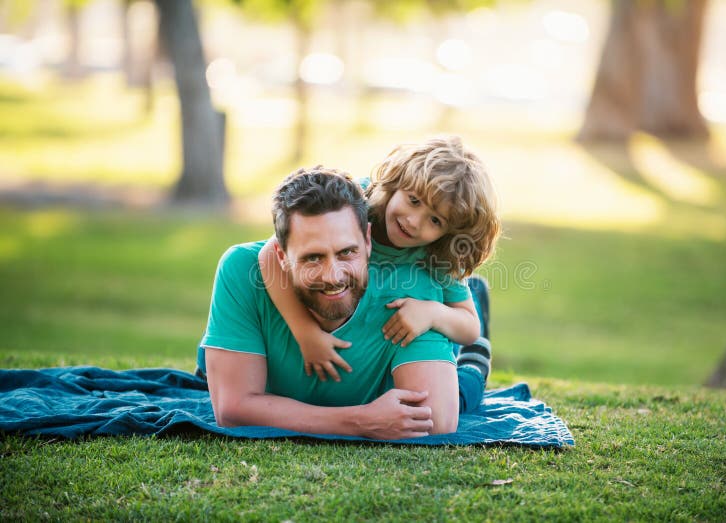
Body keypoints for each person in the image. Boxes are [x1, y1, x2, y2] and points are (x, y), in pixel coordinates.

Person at [197, 167, 462, 439]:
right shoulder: (243, 270)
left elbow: (435, 422)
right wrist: (361, 421)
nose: (333, 277)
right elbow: (232, 411)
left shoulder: (412, 292)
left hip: (446, 351)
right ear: (281, 254)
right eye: (313, 257)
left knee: (467, 385)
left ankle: (476, 353)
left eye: (347, 252)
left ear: (368, 241)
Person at [257, 136, 501, 413]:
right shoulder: (354, 203)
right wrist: (306, 333)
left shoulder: (438, 257)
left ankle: (475, 357)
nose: (413, 221)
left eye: (435, 220)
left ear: (449, 231)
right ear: (397, 182)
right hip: (367, 344)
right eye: (413, 200)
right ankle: (474, 291)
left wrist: (432, 312)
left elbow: (469, 328)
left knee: (453, 399)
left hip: (421, 340)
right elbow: (269, 254)